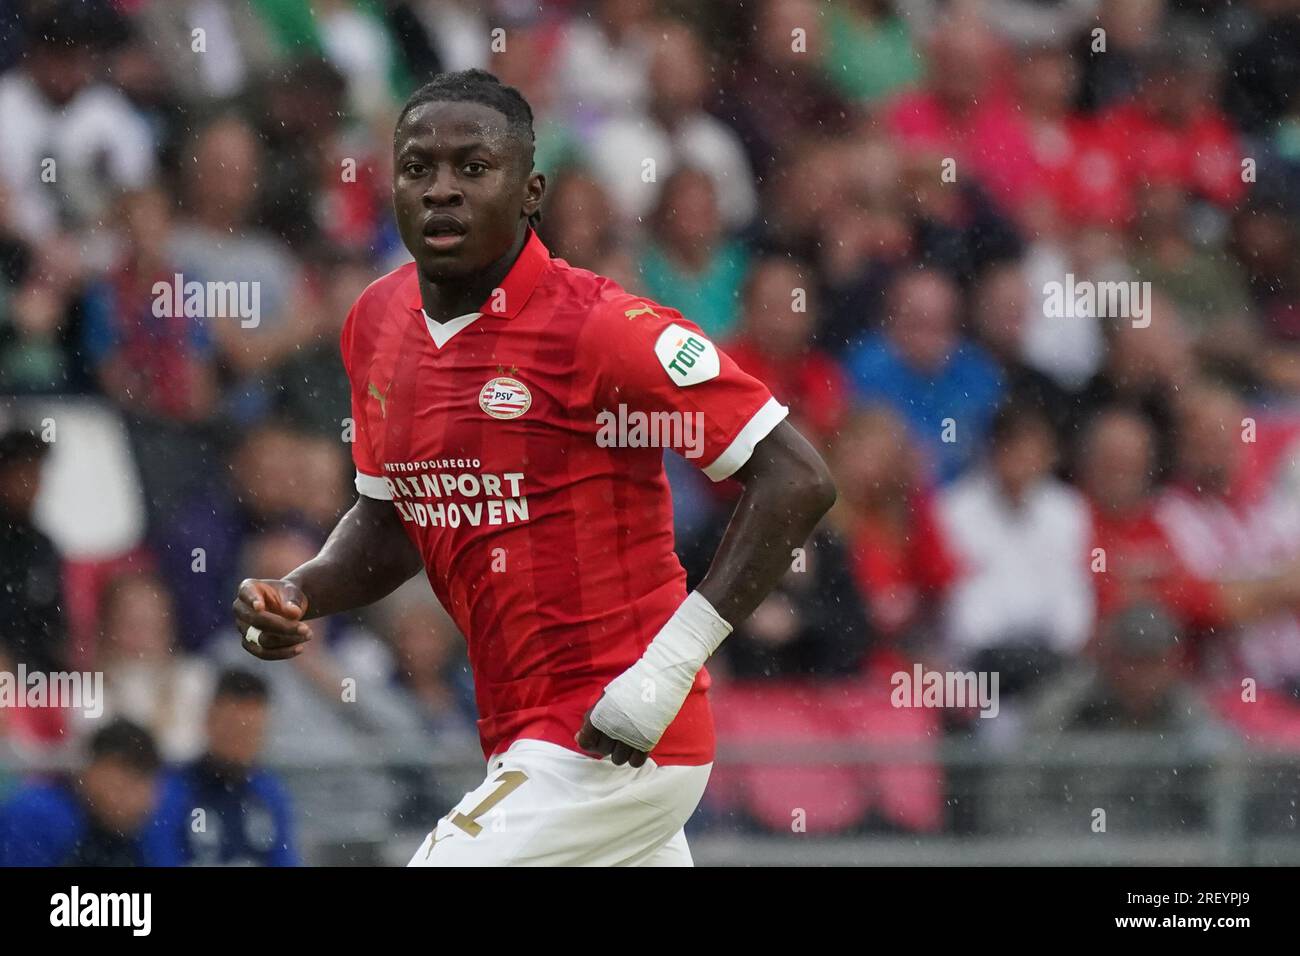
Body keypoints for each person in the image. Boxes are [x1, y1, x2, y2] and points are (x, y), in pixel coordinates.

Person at [231, 69, 836, 867]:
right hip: (522, 733)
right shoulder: (376, 322)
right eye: (418, 169)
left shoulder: (602, 329)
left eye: (473, 169)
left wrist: (664, 670)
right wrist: (303, 590)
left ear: (530, 190)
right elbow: (391, 519)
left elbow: (798, 476)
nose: (441, 190)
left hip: (617, 738)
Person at [145, 670, 298, 866]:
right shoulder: (170, 790)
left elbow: (285, 861)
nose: (240, 744)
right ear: (208, 721)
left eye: (251, 733)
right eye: (232, 730)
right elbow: (160, 858)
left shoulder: (270, 794)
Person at [0, 719, 161, 866]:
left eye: (146, 786)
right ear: (91, 771)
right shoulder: (40, 816)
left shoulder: (133, 834)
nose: (137, 800)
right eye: (124, 784)